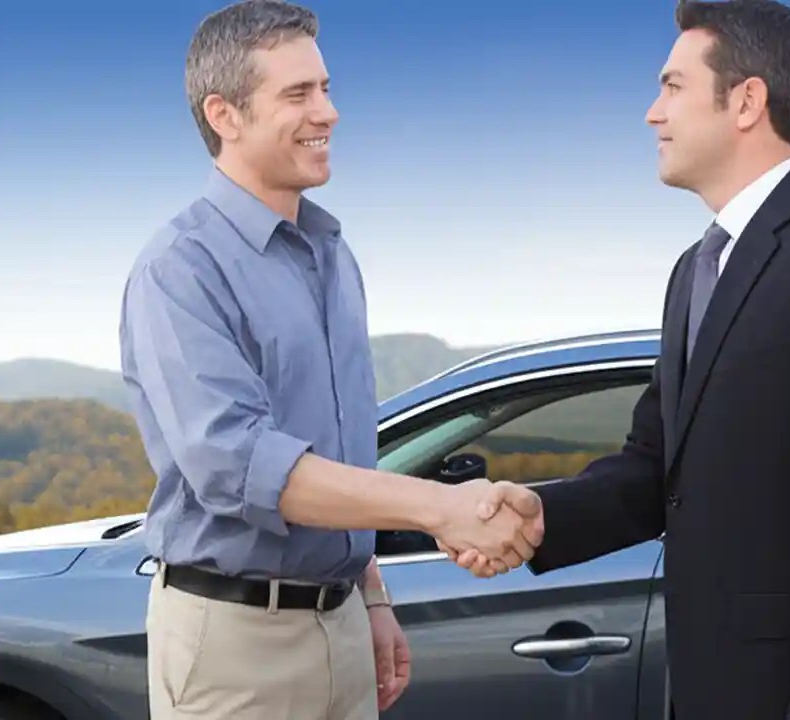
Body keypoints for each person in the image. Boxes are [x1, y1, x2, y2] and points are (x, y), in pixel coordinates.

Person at [446, 1, 790, 718]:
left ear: (746, 101)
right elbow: (658, 468)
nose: (653, 113)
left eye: (673, 86)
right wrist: (540, 514)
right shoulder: (695, 269)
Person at [118, 2, 543, 718]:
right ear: (225, 115)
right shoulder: (180, 269)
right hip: (233, 644)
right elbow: (239, 463)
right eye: (299, 94)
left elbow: (337, 448)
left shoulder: (332, 256)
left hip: (343, 623)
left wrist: (368, 593)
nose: (331, 112)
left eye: (325, 87)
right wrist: (440, 507)